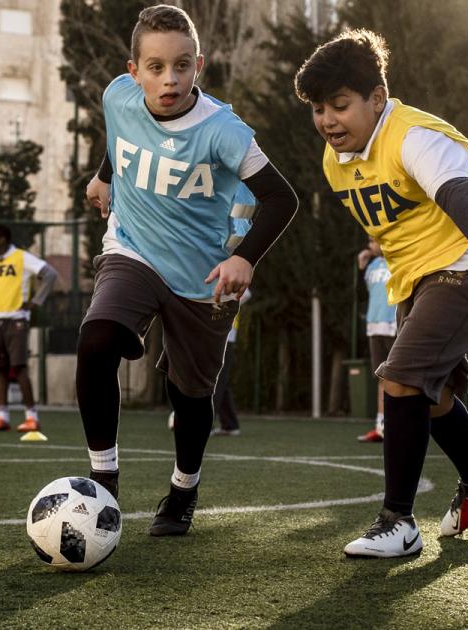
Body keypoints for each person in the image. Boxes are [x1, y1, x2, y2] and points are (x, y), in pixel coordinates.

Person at [295, 29, 468, 558]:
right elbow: (396, 218)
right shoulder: (335, 162)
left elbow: (457, 189)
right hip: (417, 274)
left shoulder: (414, 135)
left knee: (401, 379)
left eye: (339, 105)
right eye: (318, 109)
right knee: (431, 397)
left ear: (377, 99)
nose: (328, 121)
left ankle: (398, 523)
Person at [81, 5, 298, 536]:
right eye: (155, 67)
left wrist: (244, 256)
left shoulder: (225, 131)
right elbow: (119, 136)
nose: (169, 79)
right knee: (96, 341)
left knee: (191, 394)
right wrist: (104, 175)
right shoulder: (118, 96)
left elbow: (281, 198)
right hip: (131, 250)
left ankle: (183, 488)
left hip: (203, 277)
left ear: (198, 64)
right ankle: (103, 483)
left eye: (181, 66)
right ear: (134, 71)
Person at [0, 224, 58, 433]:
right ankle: (2, 417)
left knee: (19, 367)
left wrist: (36, 302)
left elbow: (49, 274)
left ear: (2, 239)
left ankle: (32, 417)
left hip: (17, 319)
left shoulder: (22, 257)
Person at [356, 236, 396, 442]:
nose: (369, 244)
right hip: (374, 327)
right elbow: (361, 297)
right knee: (382, 378)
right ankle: (381, 428)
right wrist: (361, 268)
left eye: (373, 240)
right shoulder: (372, 265)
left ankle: (402, 426)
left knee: (400, 378)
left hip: (395, 327)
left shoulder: (399, 258)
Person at [211, 287, 251, 437]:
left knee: (214, 380)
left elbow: (246, 294)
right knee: (221, 381)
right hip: (220, 335)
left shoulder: (227, 272)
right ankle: (230, 424)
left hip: (222, 336)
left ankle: (203, 424)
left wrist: (220, 305)